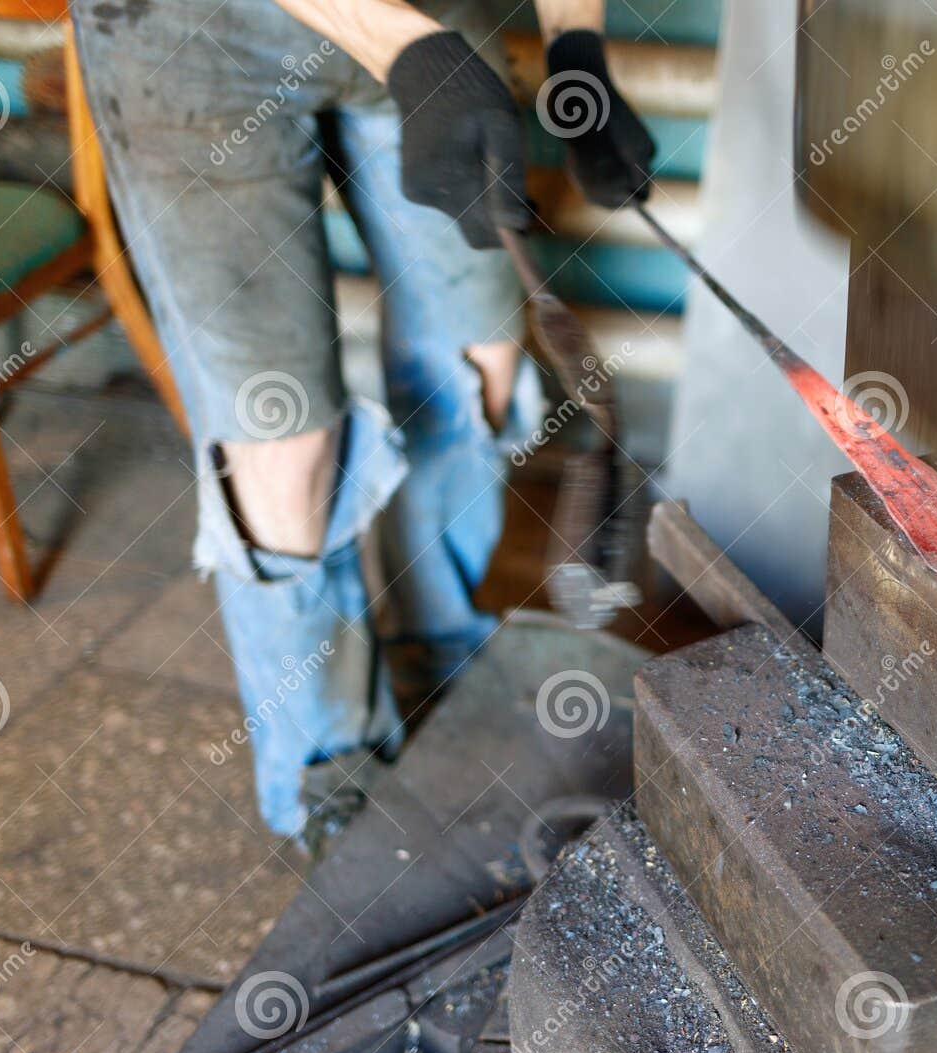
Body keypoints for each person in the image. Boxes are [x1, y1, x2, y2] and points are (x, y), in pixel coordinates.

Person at [70, 0, 653, 846]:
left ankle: (440, 649)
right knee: (284, 446)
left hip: (436, 21)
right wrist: (408, 50)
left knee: (475, 368)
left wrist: (578, 46)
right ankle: (329, 769)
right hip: (189, 40)